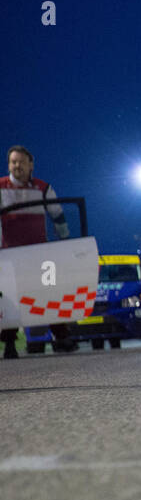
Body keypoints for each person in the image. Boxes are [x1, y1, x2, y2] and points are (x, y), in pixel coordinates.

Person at [1, 145, 74, 359]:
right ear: (9, 165)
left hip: (41, 255)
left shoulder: (43, 188)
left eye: (21, 162)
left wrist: (66, 241)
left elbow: (58, 215)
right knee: (10, 299)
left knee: (49, 292)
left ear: (31, 165)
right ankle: (9, 345)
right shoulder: (0, 188)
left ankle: (61, 337)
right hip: (9, 256)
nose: (17, 166)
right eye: (13, 162)